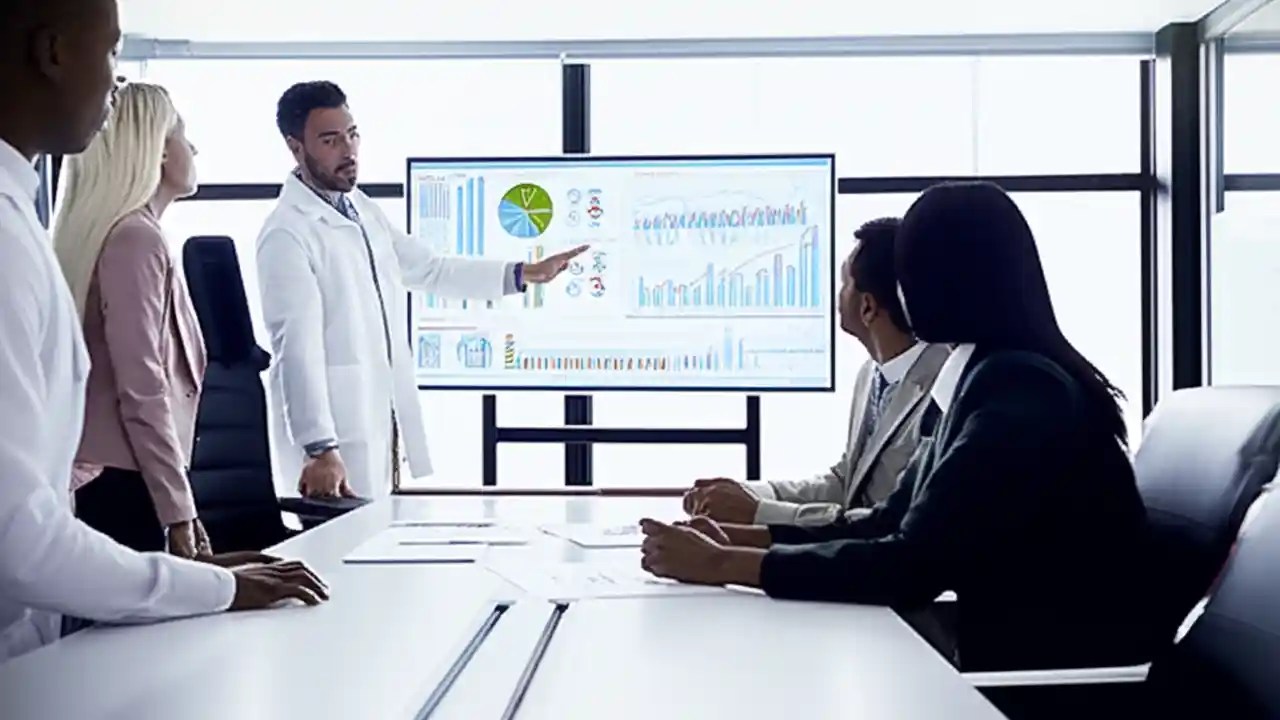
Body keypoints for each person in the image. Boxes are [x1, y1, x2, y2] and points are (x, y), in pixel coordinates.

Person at [639, 182, 1153, 672]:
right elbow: (887, 520)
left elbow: (910, 566)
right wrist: (743, 540)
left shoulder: (1020, 391)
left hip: (1036, 679)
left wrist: (725, 565)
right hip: (992, 652)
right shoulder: (984, 373)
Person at [0, 0, 328, 665]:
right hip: (114, 504)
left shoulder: (24, 222)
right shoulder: (93, 242)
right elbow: (18, 534)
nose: (115, 82)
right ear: (53, 52)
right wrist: (201, 570)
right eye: (114, 50)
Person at [256, 81, 585, 500]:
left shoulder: (361, 210)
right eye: (330, 139)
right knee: (334, 555)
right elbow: (296, 349)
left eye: (353, 134)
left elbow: (428, 270)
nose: (349, 150)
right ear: (295, 147)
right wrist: (319, 447)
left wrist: (522, 274)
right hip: (332, 440)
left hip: (373, 419)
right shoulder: (287, 233)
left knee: (372, 547)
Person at [681, 217, 947, 526]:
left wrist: (758, 512)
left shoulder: (942, 388)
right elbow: (846, 483)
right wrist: (750, 493)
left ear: (867, 308)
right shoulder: (870, 375)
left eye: (844, 283)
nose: (836, 296)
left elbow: (888, 520)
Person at [51, 82, 212, 558]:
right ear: (160, 152)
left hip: (123, 479)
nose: (194, 147)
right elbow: (142, 389)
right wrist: (179, 510)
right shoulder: (135, 240)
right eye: (183, 134)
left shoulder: (132, 234)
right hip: (123, 483)